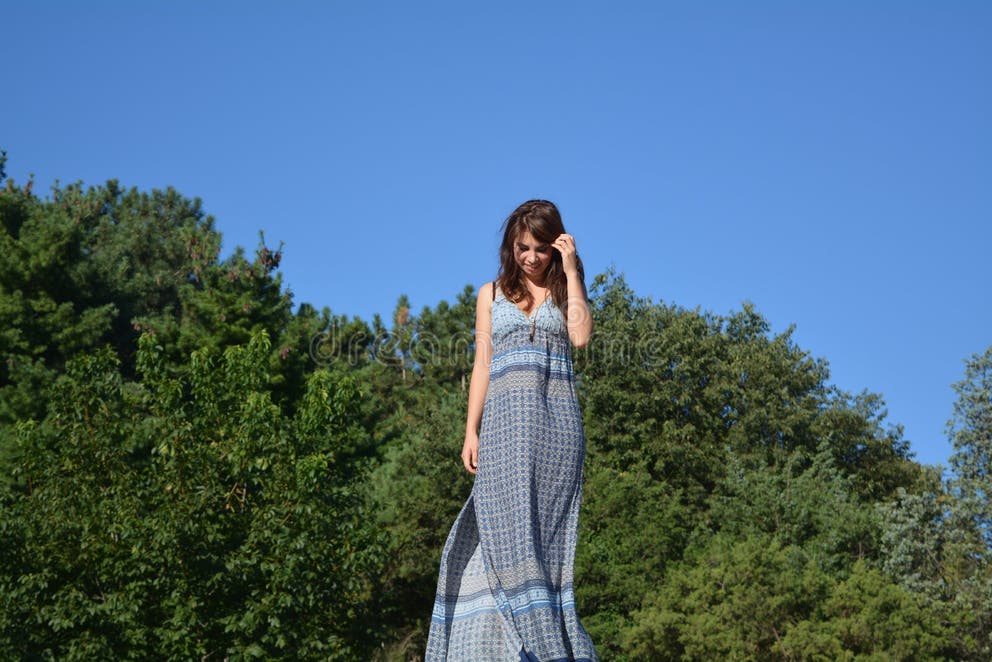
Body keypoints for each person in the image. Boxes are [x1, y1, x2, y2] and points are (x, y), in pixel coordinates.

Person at [426, 200, 599, 661]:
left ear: (555, 246)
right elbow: (482, 365)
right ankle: (501, 648)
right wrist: (471, 431)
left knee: (545, 542)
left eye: (541, 248)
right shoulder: (491, 294)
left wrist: (572, 269)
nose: (531, 257)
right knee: (502, 531)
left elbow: (581, 337)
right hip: (503, 431)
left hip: (556, 433)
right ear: (511, 247)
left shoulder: (564, 291)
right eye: (523, 248)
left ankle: (548, 645)